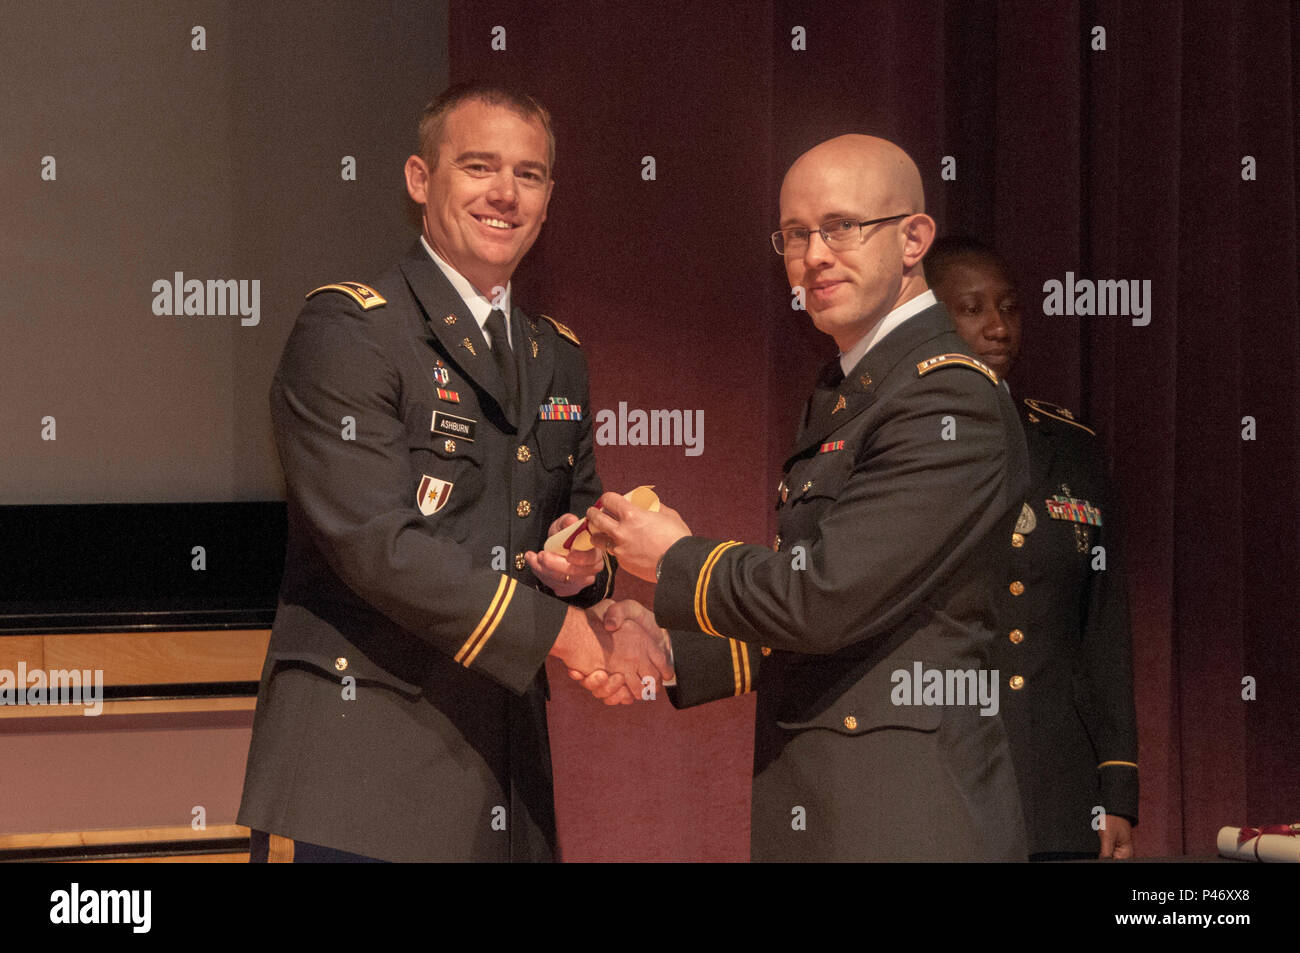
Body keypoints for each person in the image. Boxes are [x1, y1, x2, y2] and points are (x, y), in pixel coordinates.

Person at [237, 83, 671, 863]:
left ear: (548, 197)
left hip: (505, 767)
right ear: (419, 178)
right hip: (368, 769)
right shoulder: (351, 331)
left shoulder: (556, 355)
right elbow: (379, 546)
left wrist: (594, 587)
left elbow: (567, 522)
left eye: (529, 174)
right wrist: (566, 634)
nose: (504, 193)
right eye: (478, 166)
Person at [581, 135, 1030, 861]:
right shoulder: (852, 387)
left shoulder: (947, 397)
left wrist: (676, 558)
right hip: (834, 804)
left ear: (914, 238)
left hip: (903, 815)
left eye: (842, 226)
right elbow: (848, 618)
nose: (814, 254)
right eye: (795, 234)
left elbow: (826, 597)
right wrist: (669, 646)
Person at [926, 235, 1139, 860]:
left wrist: (1118, 785)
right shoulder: (898, 447)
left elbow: (1103, 627)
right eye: (972, 309)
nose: (998, 327)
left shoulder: (1072, 444)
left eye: (1011, 308)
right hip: (942, 774)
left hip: (1058, 780)